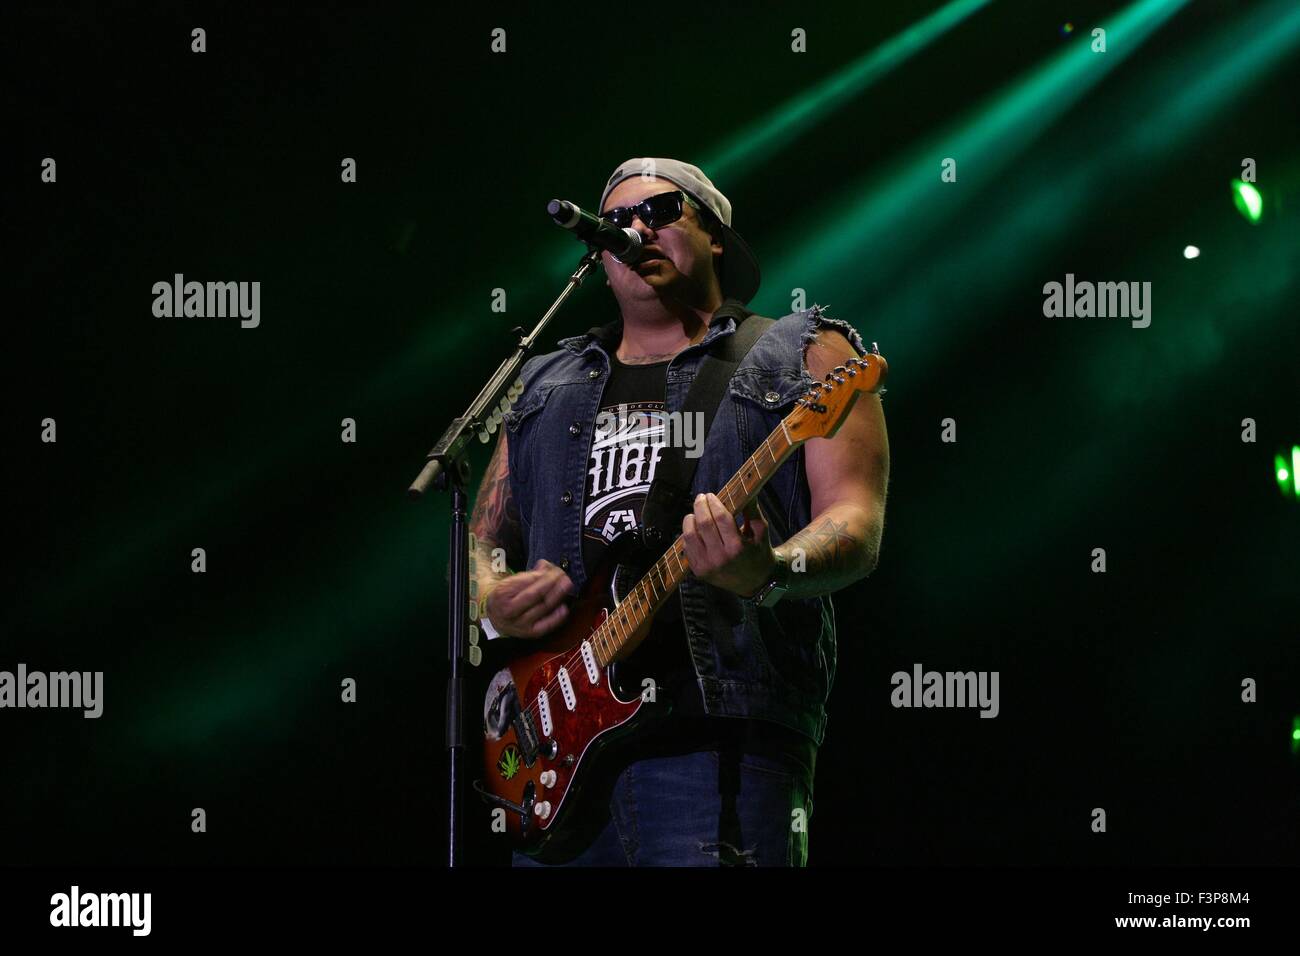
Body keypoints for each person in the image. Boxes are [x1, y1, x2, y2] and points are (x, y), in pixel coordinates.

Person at [471, 157, 889, 866]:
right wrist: (490, 603)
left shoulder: (800, 350)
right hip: (558, 754)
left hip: (719, 735)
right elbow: (480, 544)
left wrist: (770, 569)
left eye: (662, 212)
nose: (637, 228)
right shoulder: (546, 379)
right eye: (619, 221)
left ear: (717, 236)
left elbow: (856, 519)